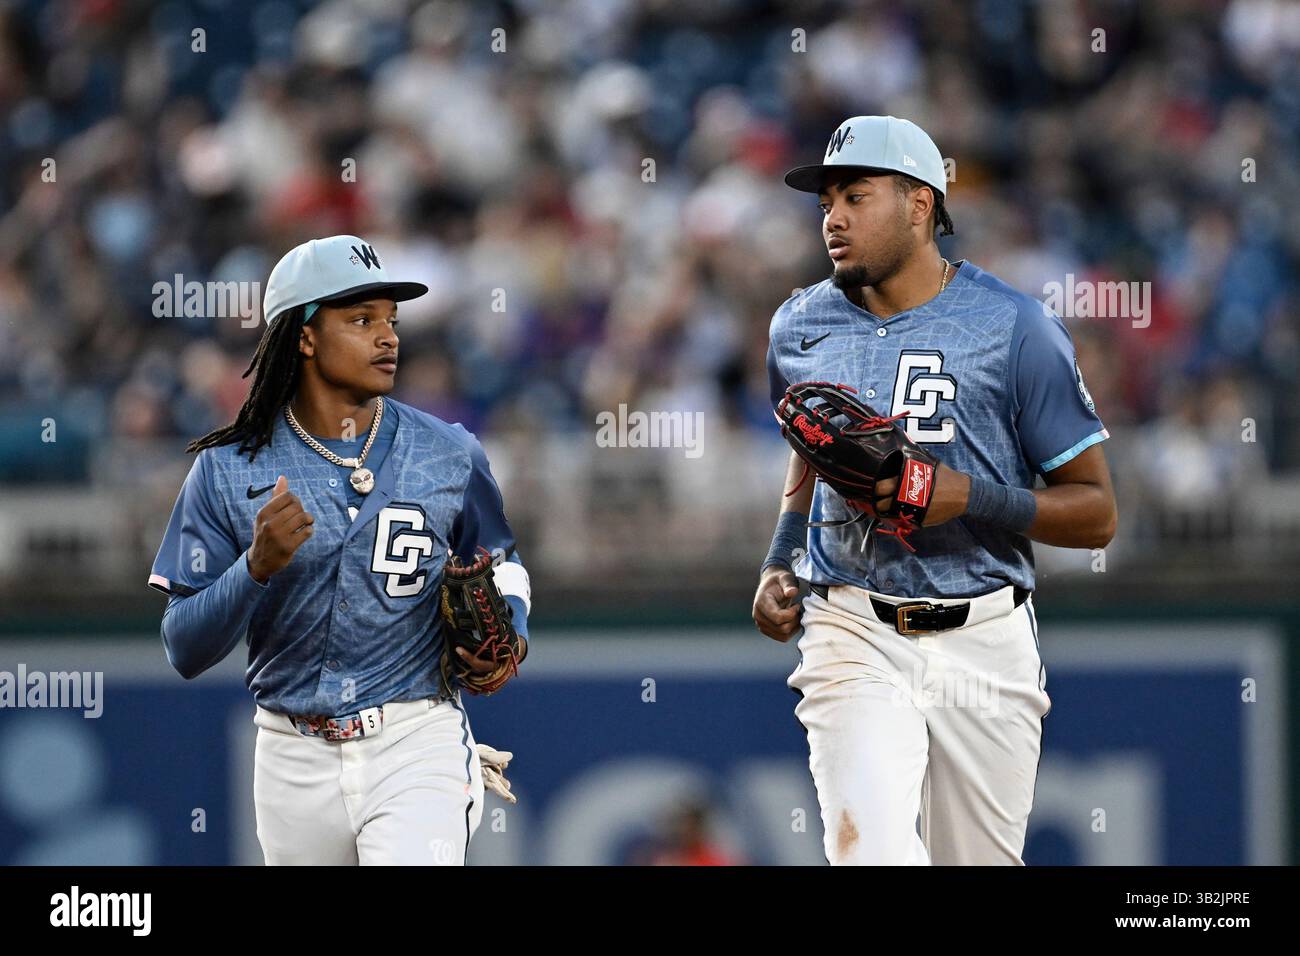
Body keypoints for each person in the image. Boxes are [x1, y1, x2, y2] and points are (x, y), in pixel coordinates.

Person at [754, 116, 1117, 865]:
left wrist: (971, 497)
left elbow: (1097, 513)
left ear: (921, 205)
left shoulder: (1015, 327)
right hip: (852, 624)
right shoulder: (799, 325)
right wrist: (780, 556)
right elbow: (813, 448)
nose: (833, 217)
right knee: (871, 853)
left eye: (856, 195)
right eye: (826, 201)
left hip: (985, 634)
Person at [147, 235, 531, 865]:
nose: (388, 337)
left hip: (416, 734)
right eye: (360, 320)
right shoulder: (225, 470)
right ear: (303, 336)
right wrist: (253, 570)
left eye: (391, 319)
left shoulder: (450, 452)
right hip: (290, 754)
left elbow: (503, 562)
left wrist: (512, 630)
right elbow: (183, 646)